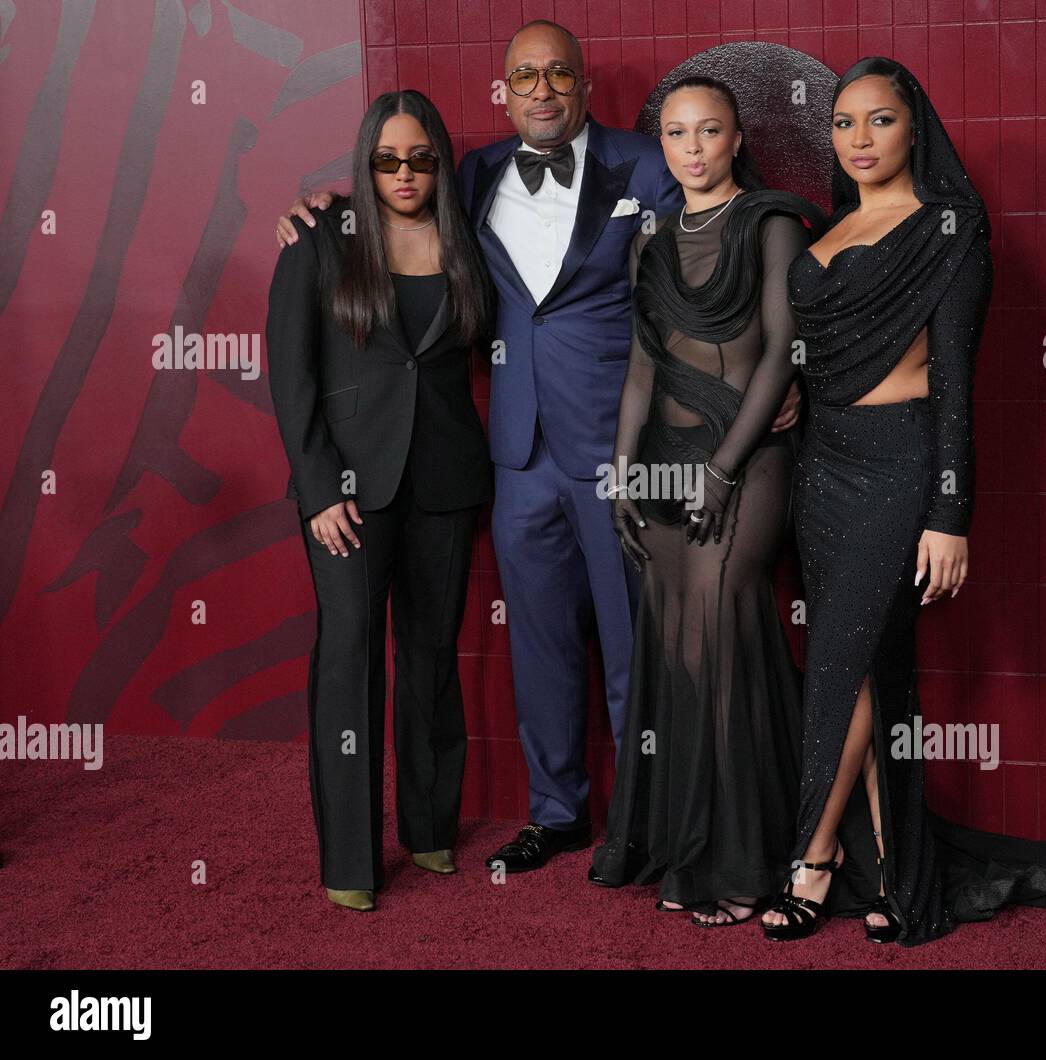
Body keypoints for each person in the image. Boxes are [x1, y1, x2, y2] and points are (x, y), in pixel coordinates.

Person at [276, 22, 803, 875]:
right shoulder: (472, 173)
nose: (543, 88)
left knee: (640, 641)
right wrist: (321, 212)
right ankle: (557, 811)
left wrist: (788, 372)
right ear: (505, 91)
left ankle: (649, 820)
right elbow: (390, 195)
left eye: (560, 72)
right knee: (541, 644)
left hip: (625, 446)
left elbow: (733, 242)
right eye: (525, 75)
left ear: (586, 86)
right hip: (516, 453)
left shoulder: (648, 159)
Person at [761, 57, 1046, 944]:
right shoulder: (829, 231)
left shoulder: (950, 229)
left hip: (899, 469)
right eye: (843, 124)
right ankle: (891, 865)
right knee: (868, 668)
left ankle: (811, 859)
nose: (859, 140)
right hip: (820, 468)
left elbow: (957, 385)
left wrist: (948, 513)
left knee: (839, 670)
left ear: (915, 126)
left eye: (878, 120)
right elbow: (804, 354)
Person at [586, 78, 824, 926]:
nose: (691, 148)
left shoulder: (773, 222)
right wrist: (620, 472)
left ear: (734, 140)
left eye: (708, 131)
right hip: (662, 464)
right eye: (677, 133)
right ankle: (688, 844)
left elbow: (781, 353)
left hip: (749, 455)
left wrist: (725, 468)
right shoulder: (649, 243)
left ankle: (749, 861)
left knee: (722, 628)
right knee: (681, 654)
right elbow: (643, 369)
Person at [266, 89, 495, 911]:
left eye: (421, 158)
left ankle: (431, 829)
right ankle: (352, 862)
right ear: (365, 163)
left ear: (439, 161)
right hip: (347, 496)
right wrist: (320, 489)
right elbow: (290, 377)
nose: (405, 173)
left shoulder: (467, 241)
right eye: (388, 159)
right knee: (350, 659)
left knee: (432, 658)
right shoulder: (319, 238)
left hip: (445, 483)